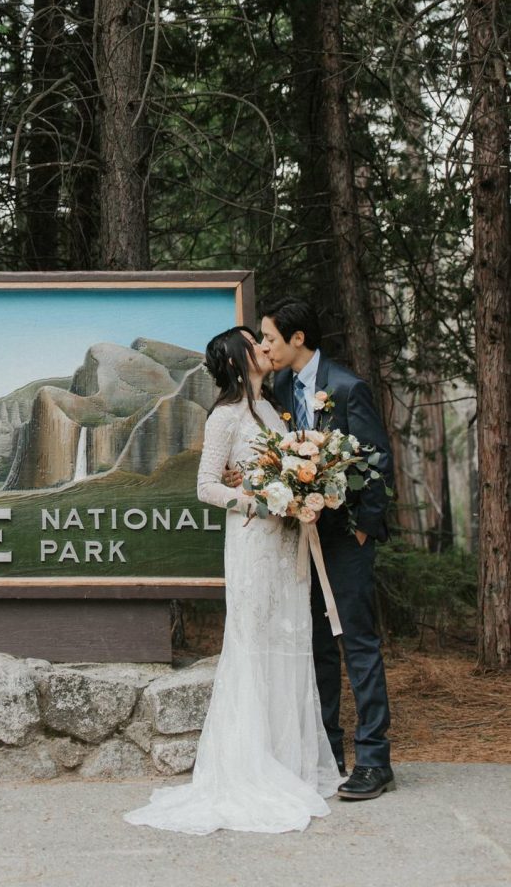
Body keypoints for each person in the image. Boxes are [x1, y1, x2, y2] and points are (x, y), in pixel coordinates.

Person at [124, 325, 341, 837]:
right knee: (254, 642)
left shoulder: (270, 407)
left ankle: (288, 761)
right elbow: (205, 486)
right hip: (253, 542)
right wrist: (258, 502)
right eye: (255, 343)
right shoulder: (224, 416)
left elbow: (278, 465)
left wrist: (298, 487)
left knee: (286, 640)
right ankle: (248, 766)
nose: (264, 348)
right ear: (239, 357)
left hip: (288, 541)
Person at [259, 297, 395, 801]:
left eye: (270, 337)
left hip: (345, 539)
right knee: (315, 644)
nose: (265, 346)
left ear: (298, 339)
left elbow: (377, 461)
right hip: (302, 538)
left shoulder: (344, 386)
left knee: (357, 643)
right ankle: (328, 751)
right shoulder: (277, 388)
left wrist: (363, 528)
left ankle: (375, 759)